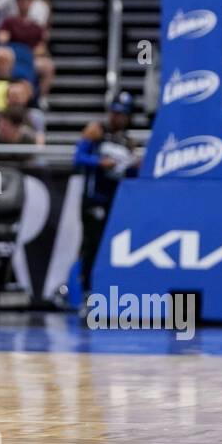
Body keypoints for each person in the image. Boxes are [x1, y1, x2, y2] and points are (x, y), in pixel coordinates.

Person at [73, 93, 140, 297]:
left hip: (115, 200)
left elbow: (128, 173)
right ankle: (85, 289)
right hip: (95, 198)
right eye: (115, 112)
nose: (117, 117)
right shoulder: (96, 132)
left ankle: (107, 288)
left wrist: (135, 166)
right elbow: (77, 159)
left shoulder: (128, 142)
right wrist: (99, 162)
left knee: (113, 244)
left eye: (122, 114)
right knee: (91, 243)